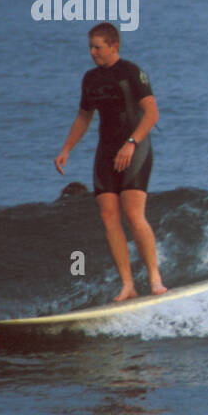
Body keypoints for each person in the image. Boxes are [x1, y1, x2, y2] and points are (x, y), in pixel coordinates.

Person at [54, 23, 167, 301]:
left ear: (114, 46)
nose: (93, 52)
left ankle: (155, 279)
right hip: (106, 151)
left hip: (135, 147)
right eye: (90, 47)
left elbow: (152, 114)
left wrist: (131, 143)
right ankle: (128, 285)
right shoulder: (90, 79)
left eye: (98, 47)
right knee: (107, 215)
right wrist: (67, 148)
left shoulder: (132, 72)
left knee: (132, 213)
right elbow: (84, 117)